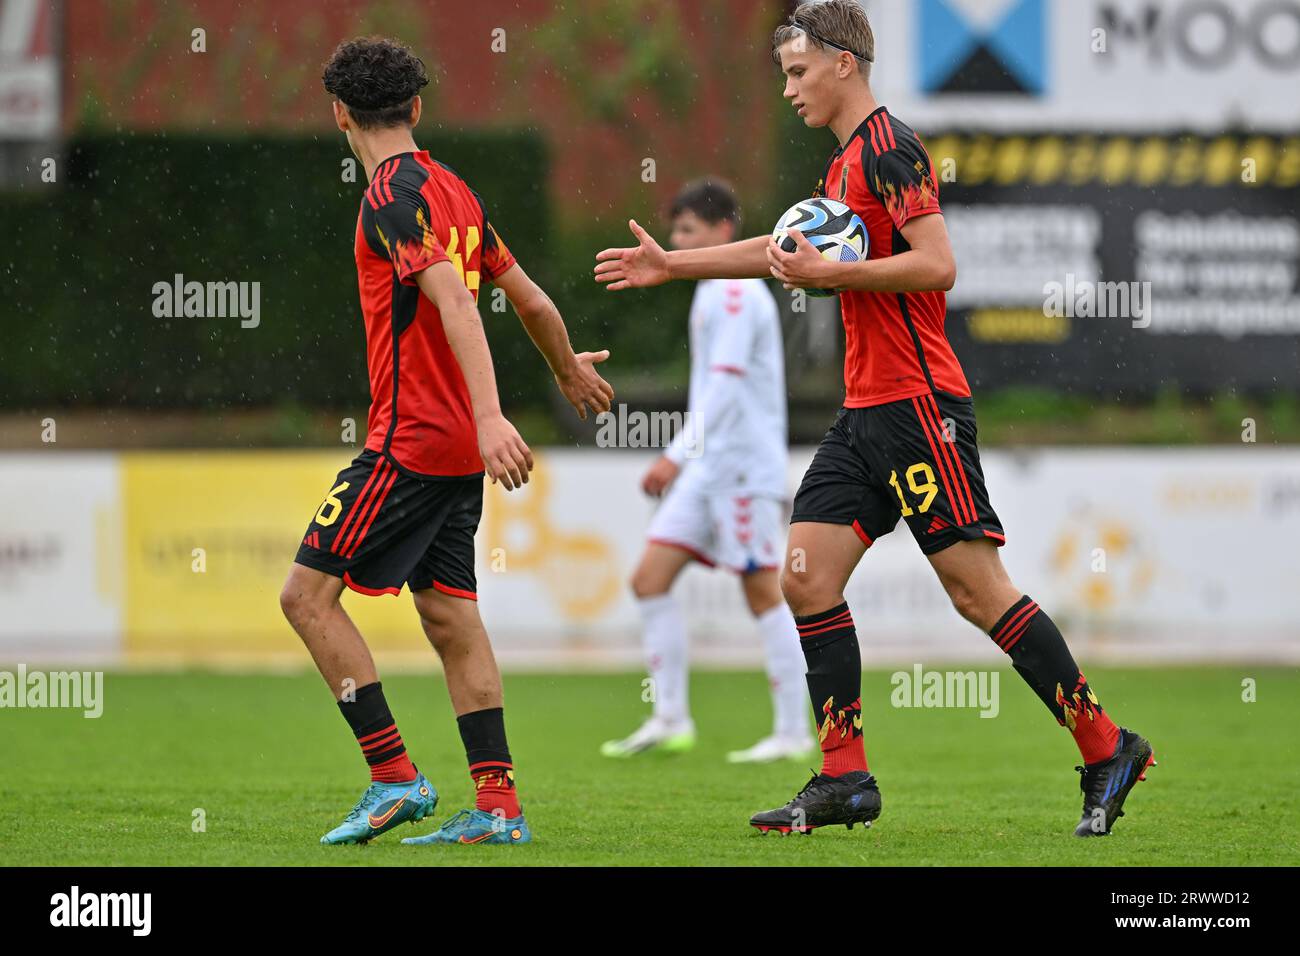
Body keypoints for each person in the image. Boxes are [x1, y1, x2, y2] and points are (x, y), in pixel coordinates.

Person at [594, 0, 1153, 837]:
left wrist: (831, 280)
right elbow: (783, 253)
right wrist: (675, 264)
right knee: (805, 576)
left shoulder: (890, 149)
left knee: (975, 592)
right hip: (865, 414)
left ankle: (1108, 745)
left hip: (919, 406)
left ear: (843, 64)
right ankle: (844, 779)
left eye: (796, 71)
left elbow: (938, 265)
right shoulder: (843, 167)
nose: (788, 89)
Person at [280, 36, 613, 847]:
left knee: (304, 596)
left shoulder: (390, 199)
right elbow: (526, 298)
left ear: (339, 115)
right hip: (457, 453)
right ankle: (499, 809)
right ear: (416, 108)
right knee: (450, 616)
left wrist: (494, 414)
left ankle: (393, 776)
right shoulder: (455, 191)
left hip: (412, 445)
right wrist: (565, 369)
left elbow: (460, 309)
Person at [599, 179, 812, 764]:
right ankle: (670, 718)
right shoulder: (711, 291)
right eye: (675, 232)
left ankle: (793, 732)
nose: (675, 243)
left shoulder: (738, 293)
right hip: (708, 468)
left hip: (741, 468)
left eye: (688, 231)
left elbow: (725, 384)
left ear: (723, 230)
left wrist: (675, 453)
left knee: (764, 592)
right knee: (649, 579)